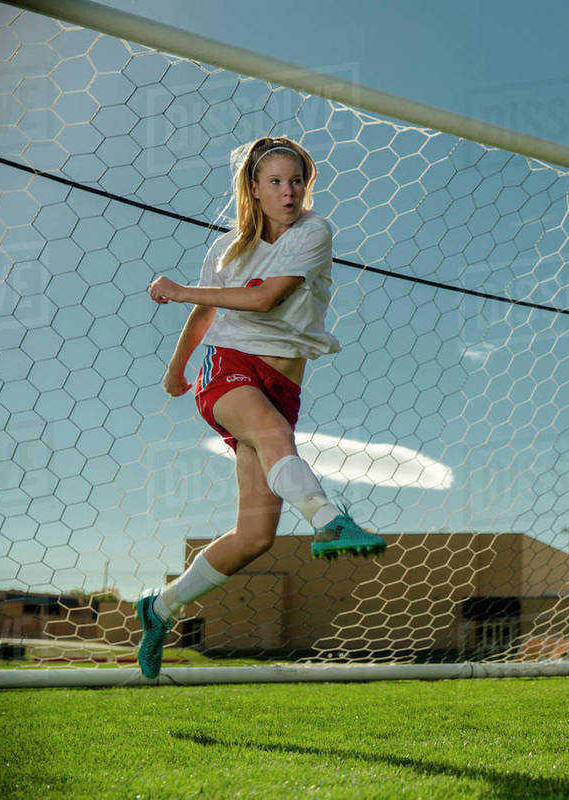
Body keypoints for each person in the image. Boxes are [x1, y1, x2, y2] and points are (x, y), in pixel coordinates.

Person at [136, 136, 385, 680]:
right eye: (275, 181)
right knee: (273, 434)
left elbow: (267, 296)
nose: (288, 191)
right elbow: (204, 316)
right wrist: (177, 369)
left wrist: (179, 291)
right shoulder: (227, 250)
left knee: (254, 538)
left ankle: (159, 609)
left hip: (282, 385)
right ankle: (330, 520)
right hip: (229, 370)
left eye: (296, 181)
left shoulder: (313, 233)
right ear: (254, 188)